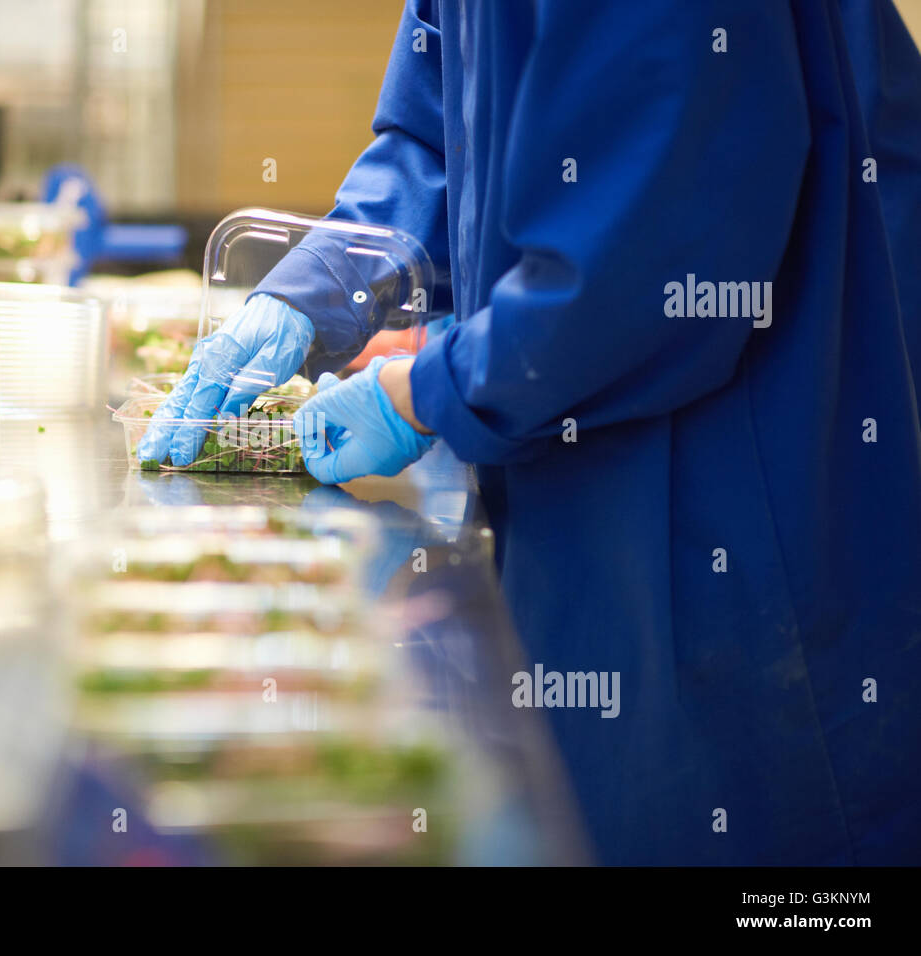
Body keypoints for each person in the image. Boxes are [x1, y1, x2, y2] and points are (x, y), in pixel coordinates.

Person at [142, 0, 921, 864]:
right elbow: (442, 128)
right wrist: (323, 282)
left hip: (739, 492)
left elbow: (647, 255)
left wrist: (430, 390)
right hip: (577, 453)